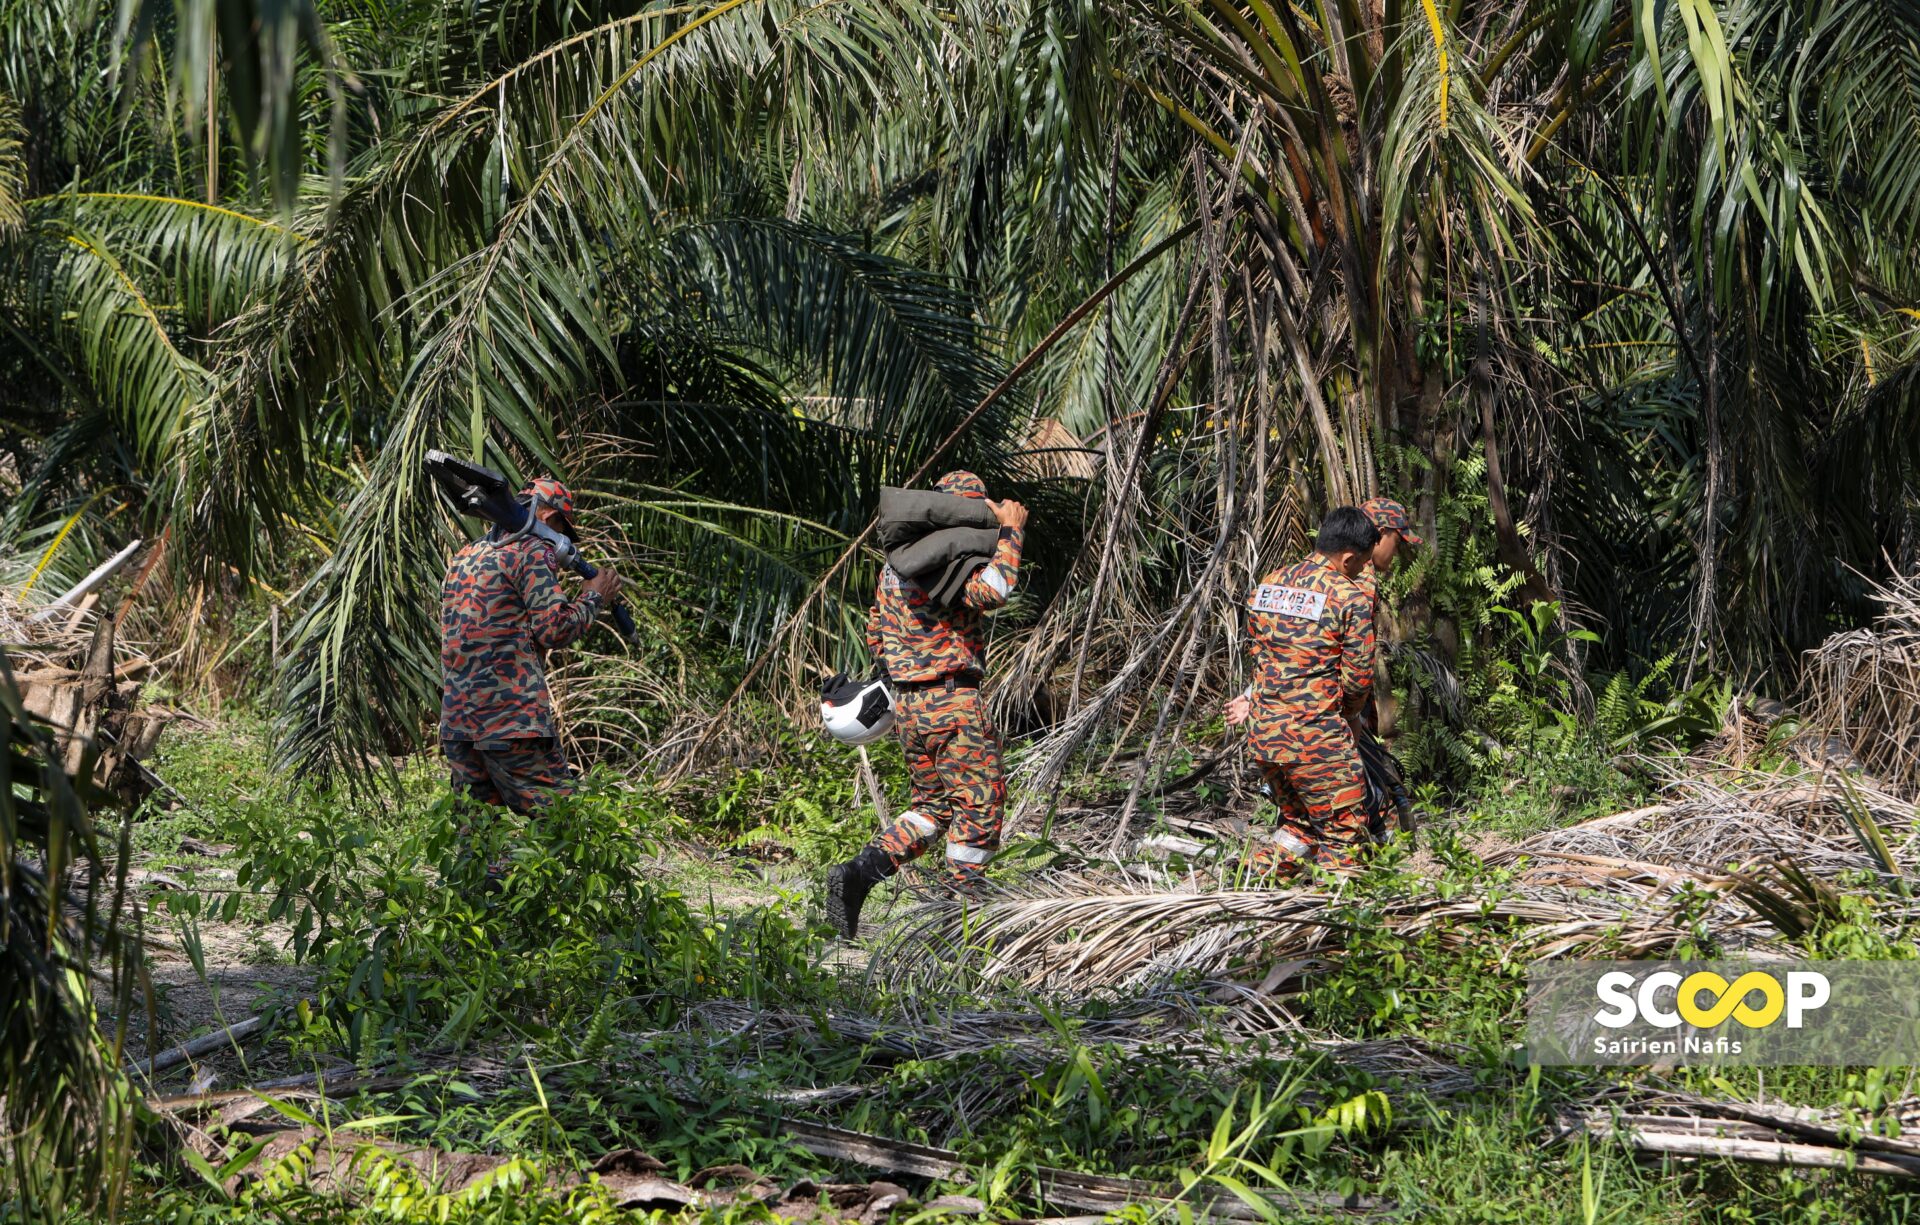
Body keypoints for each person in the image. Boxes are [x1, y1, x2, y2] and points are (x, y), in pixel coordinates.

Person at [824, 470, 1027, 938]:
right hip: (952, 700)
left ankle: (859, 873)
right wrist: (1012, 532)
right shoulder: (945, 561)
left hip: (910, 708)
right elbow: (993, 591)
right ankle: (957, 918)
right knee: (979, 807)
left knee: (932, 810)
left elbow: (876, 631)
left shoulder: (895, 566)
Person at [440, 477, 621, 815]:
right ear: (550, 517)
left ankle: (486, 871)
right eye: (561, 528)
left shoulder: (463, 557)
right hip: (510, 720)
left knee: (480, 837)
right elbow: (554, 630)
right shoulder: (532, 549)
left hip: (459, 723)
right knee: (565, 822)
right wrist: (594, 596)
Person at [1223, 507, 1379, 874]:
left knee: (1299, 827)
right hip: (1316, 740)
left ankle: (1252, 887)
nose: (1362, 571)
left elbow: (1262, 658)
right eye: (1362, 564)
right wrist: (1351, 717)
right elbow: (1358, 680)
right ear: (1348, 557)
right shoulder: (1348, 596)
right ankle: (1337, 921)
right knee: (1343, 835)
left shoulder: (1268, 585)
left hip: (1266, 738)